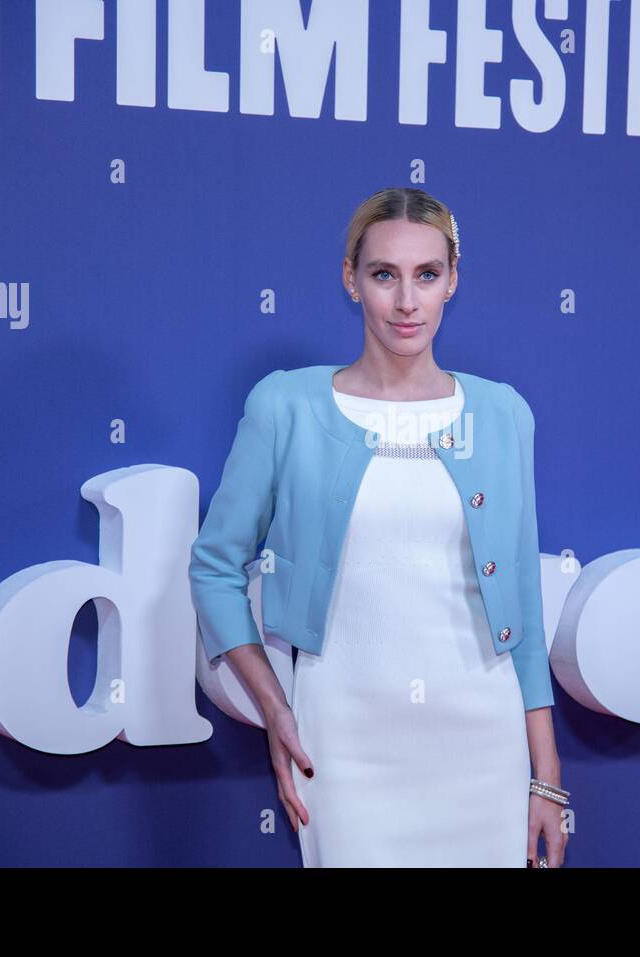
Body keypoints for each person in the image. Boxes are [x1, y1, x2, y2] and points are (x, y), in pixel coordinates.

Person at [190, 187, 568, 867]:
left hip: (482, 742)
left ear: (453, 280)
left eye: (427, 274)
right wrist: (276, 707)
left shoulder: (503, 414)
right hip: (345, 742)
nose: (406, 301)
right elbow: (215, 566)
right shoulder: (287, 407)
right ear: (350, 278)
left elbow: (526, 612)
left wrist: (545, 777)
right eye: (384, 274)